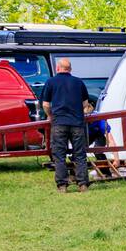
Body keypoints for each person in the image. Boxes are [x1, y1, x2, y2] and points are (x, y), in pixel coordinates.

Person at [41, 57, 91, 192]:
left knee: (59, 155)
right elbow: (85, 104)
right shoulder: (79, 82)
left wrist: (50, 115)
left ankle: (62, 185)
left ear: (58, 68)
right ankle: (83, 184)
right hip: (77, 123)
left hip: (59, 123)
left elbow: (45, 104)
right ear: (70, 69)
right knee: (80, 154)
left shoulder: (51, 82)